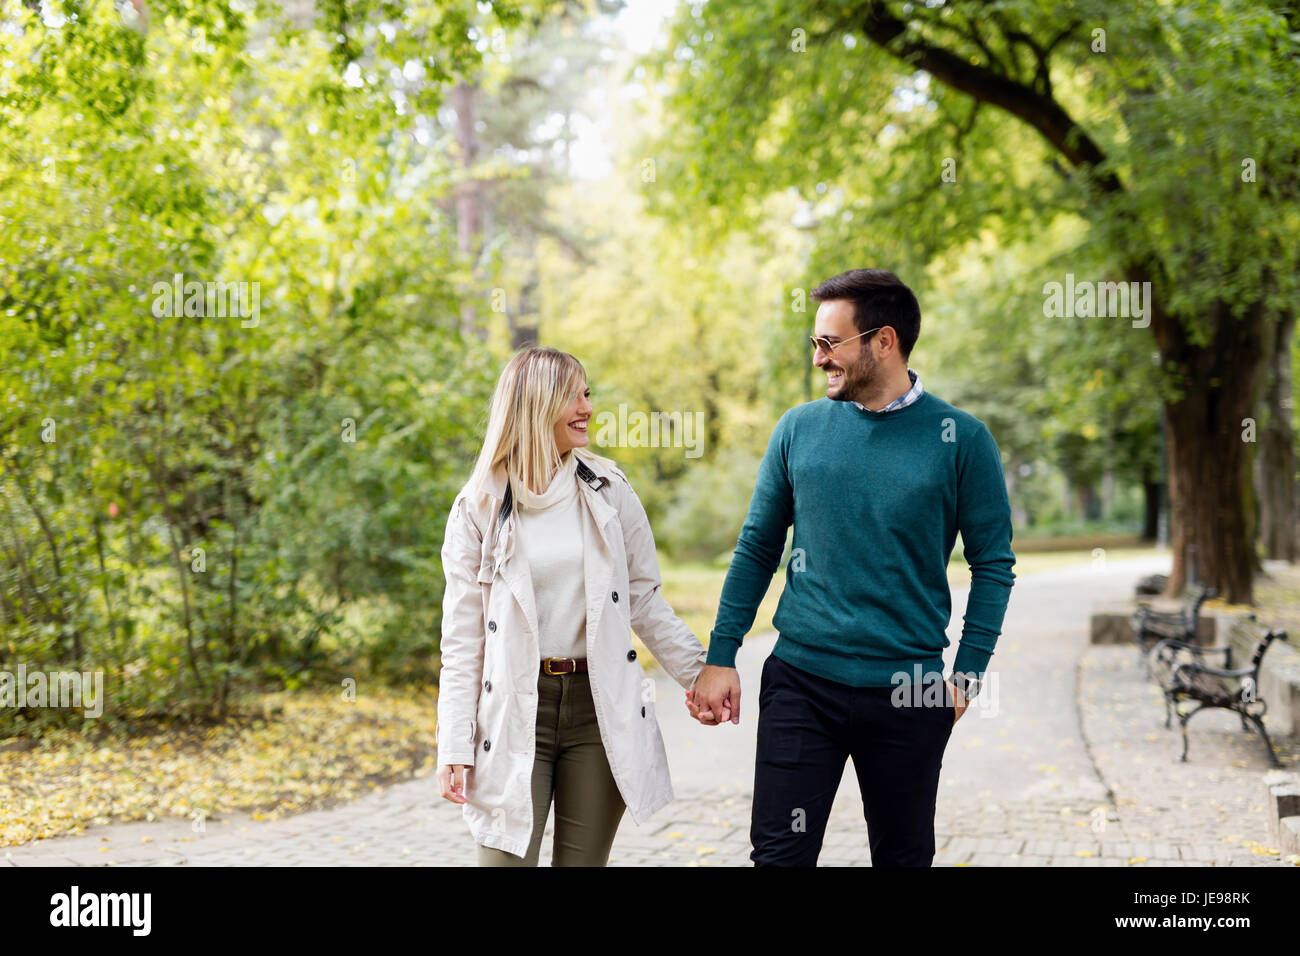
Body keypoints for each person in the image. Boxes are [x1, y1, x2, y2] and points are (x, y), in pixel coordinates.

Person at [687, 268, 1016, 866]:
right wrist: (721, 654)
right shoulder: (799, 429)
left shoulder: (962, 439)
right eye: (816, 343)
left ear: (883, 341)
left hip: (908, 691)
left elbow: (993, 564)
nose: (818, 359)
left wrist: (966, 675)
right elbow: (758, 545)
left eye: (829, 343)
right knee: (779, 857)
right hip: (800, 683)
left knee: (902, 855)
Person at [436, 346, 707, 866]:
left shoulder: (609, 489)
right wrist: (454, 743)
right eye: (574, 395)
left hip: (597, 709)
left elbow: (644, 600)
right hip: (516, 709)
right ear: (537, 403)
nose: (588, 407)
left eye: (588, 394)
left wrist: (699, 674)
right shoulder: (478, 506)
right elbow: (462, 640)